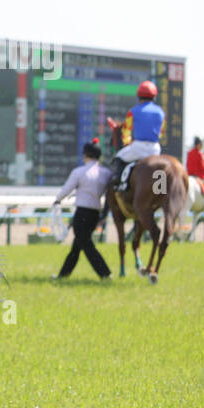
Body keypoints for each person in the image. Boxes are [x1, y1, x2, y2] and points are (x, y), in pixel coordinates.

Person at [52, 139, 112, 280]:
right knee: (77, 246)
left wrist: (57, 200)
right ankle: (63, 275)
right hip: (95, 214)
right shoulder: (106, 173)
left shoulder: (79, 172)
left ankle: (105, 273)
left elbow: (67, 188)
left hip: (82, 213)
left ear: (85, 155)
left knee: (86, 245)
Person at [110, 80, 164, 188]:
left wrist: (127, 142)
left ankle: (117, 182)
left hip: (138, 147)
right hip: (155, 149)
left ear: (139, 97)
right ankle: (161, 189)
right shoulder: (161, 112)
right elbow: (161, 133)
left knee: (119, 157)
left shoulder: (133, 111)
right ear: (154, 97)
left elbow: (126, 131)